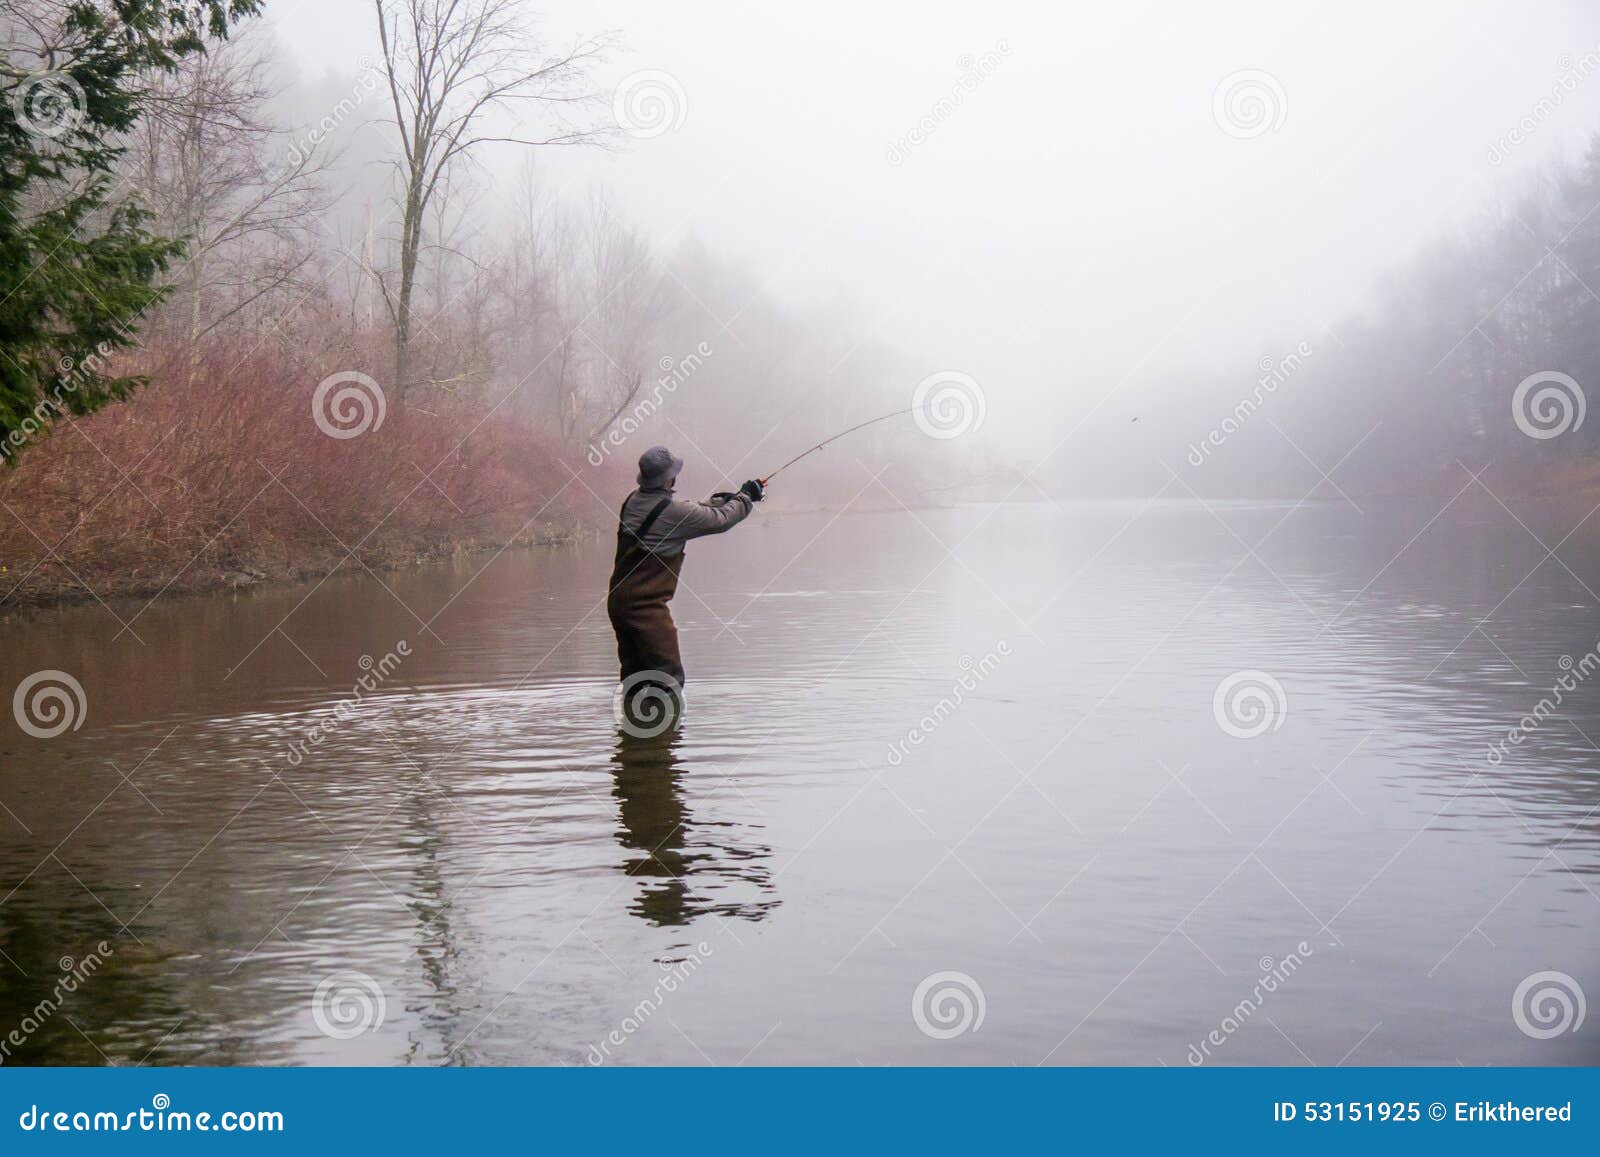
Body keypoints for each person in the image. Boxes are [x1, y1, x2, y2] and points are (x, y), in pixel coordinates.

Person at [607, 446, 764, 714]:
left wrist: (727, 498)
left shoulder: (633, 500)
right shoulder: (672, 512)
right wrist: (746, 497)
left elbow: (689, 510)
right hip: (646, 610)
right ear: (669, 479)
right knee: (668, 681)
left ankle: (635, 743)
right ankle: (662, 744)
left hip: (619, 604)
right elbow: (721, 521)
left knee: (635, 678)